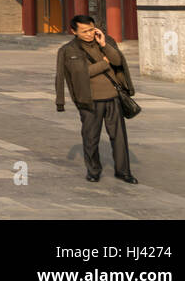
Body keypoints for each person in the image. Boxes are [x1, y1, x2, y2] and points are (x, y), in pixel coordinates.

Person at [56, 15, 137, 184]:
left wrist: (104, 45)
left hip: (113, 97)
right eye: (84, 31)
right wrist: (104, 63)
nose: (89, 34)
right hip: (89, 100)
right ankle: (93, 171)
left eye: (91, 29)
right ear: (74, 31)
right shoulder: (69, 50)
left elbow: (117, 61)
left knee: (119, 137)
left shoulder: (106, 41)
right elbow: (81, 73)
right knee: (91, 137)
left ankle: (123, 171)